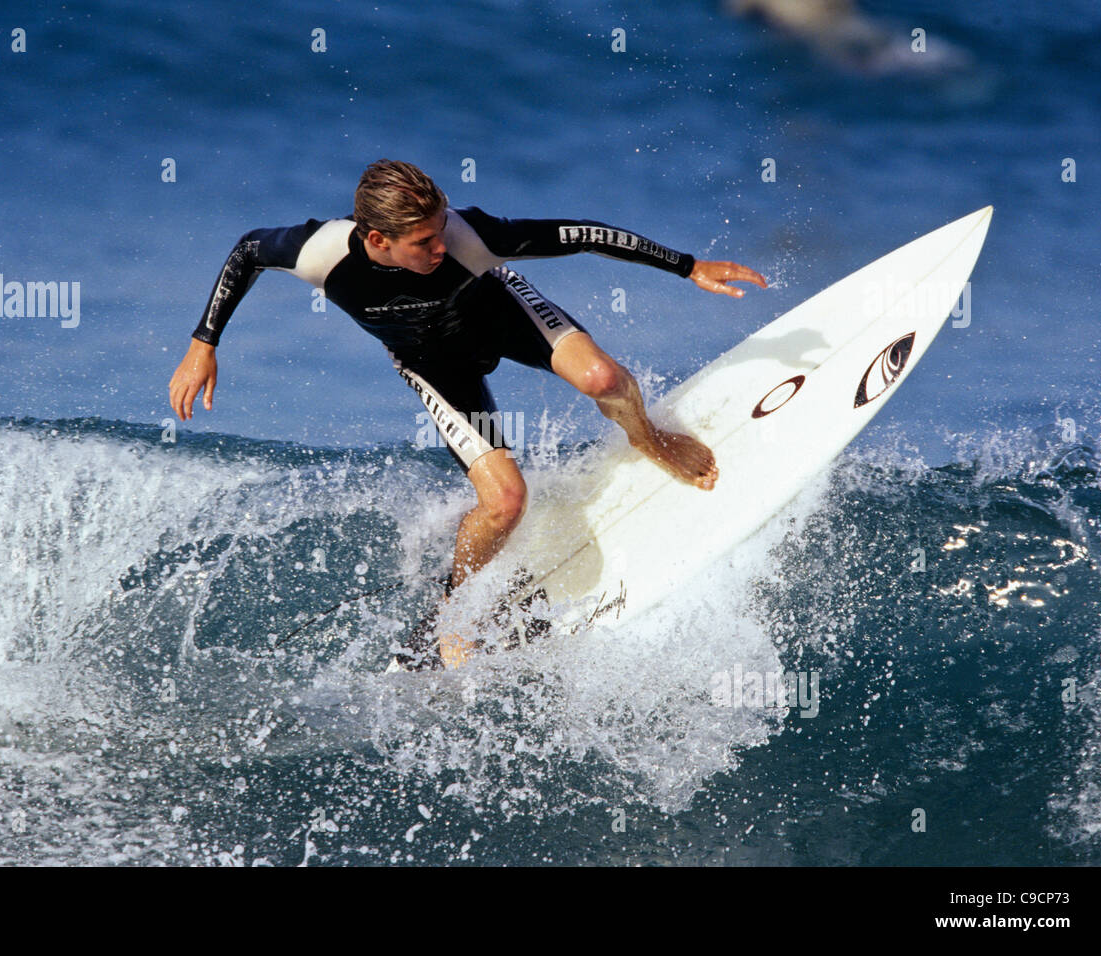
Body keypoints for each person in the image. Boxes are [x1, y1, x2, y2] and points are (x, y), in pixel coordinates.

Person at [168, 160, 766, 667]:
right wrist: (203, 344)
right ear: (377, 239)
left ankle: (648, 437)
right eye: (424, 242)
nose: (440, 246)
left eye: (441, 231)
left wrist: (688, 266)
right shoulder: (319, 252)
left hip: (502, 317)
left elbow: (580, 233)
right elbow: (249, 250)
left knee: (603, 379)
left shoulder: (468, 236)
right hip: (434, 365)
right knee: (504, 501)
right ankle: (454, 610)